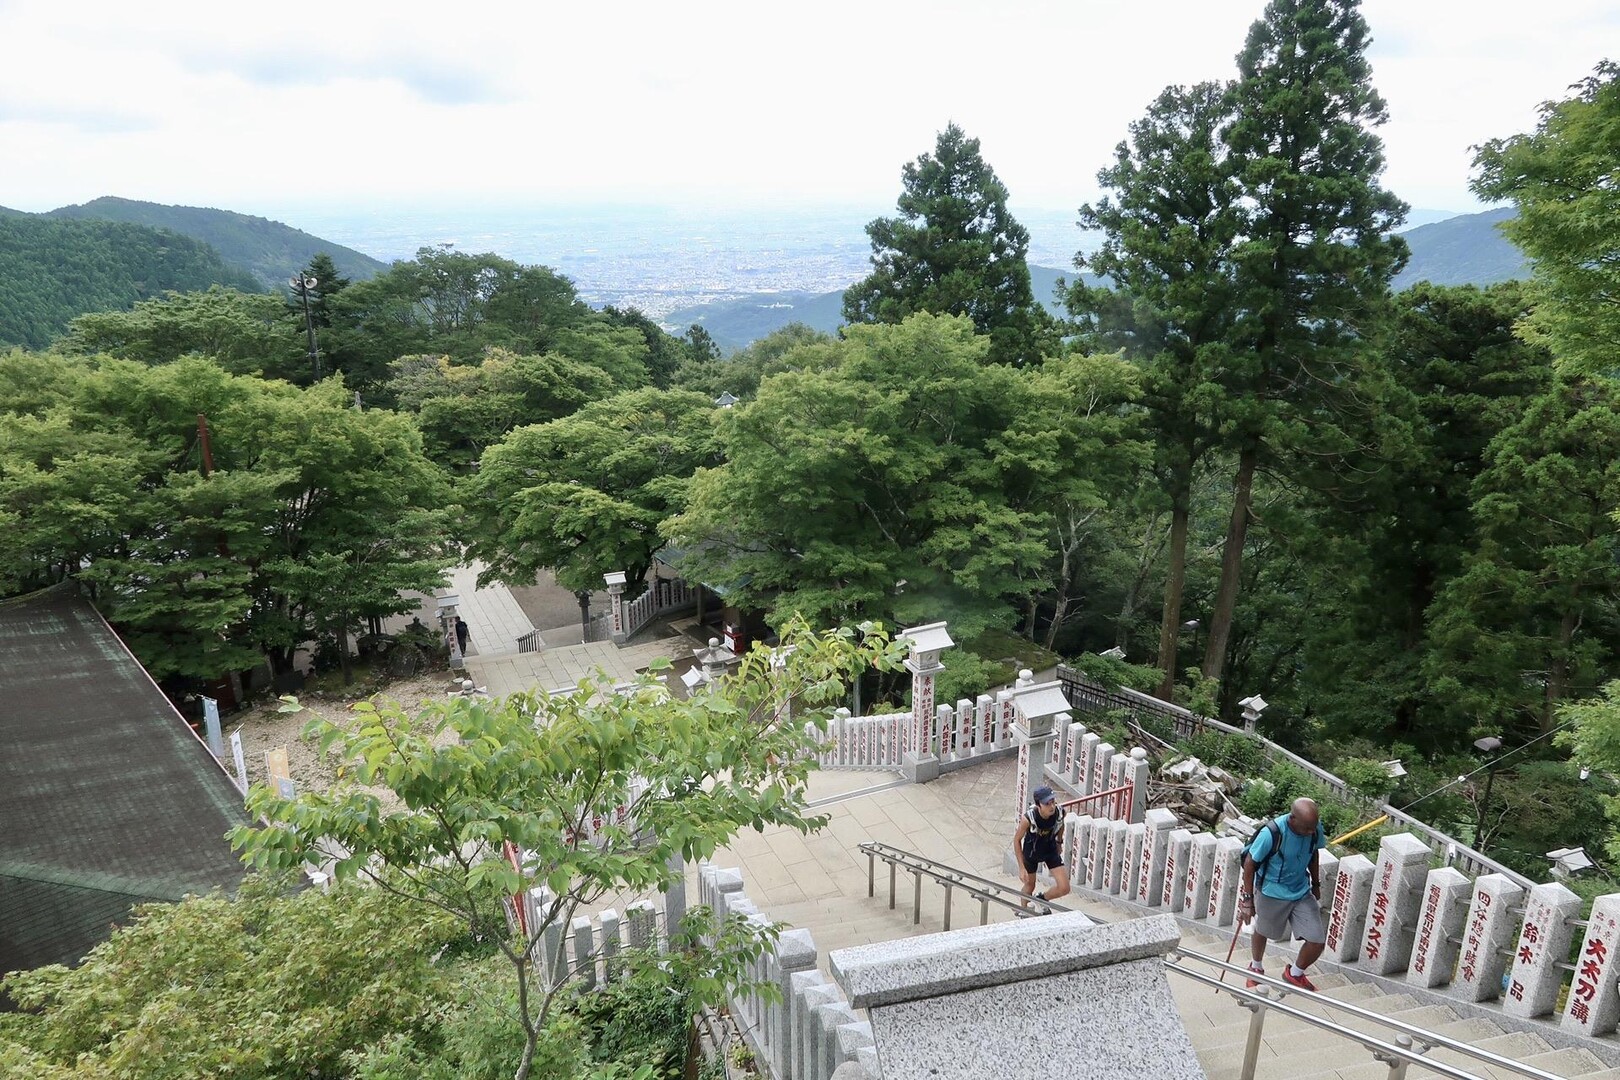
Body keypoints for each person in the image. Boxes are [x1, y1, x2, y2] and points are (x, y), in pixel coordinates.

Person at [1238, 796, 1327, 991]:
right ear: (1292, 819)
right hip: (1272, 891)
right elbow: (1250, 863)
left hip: (1301, 890)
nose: (1311, 832)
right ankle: (1256, 966)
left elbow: (1314, 853)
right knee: (1263, 929)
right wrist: (1247, 900)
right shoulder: (1272, 833)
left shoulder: (1313, 828)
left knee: (1317, 940)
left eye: (1313, 827)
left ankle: (1295, 973)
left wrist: (1316, 883)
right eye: (1306, 828)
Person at [1012, 785, 1070, 908]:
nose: (1052, 806)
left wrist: (1059, 842)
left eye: (1053, 802)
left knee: (1064, 887)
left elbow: (1061, 824)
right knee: (1029, 885)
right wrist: (1021, 868)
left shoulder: (1060, 812)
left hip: (1050, 849)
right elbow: (1016, 840)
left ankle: (1042, 899)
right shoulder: (1028, 819)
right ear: (1039, 805)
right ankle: (1023, 911)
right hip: (1032, 853)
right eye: (1047, 804)